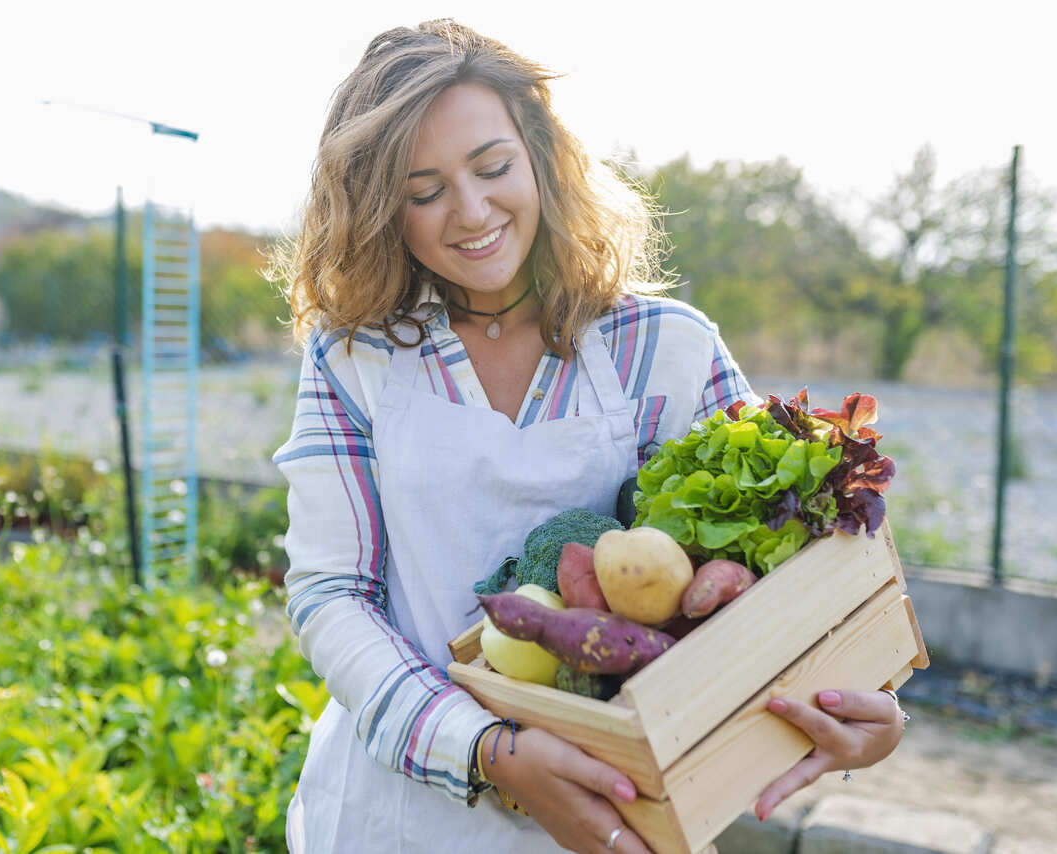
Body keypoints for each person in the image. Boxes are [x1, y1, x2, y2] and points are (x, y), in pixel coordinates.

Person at [271, 20, 906, 854]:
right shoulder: (355, 356)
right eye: (424, 191)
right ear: (381, 206)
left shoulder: (664, 348)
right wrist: (488, 751)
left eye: (493, 167)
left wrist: (864, 702)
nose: (471, 212)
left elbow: (791, 564)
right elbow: (332, 596)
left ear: (539, 153)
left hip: (624, 805)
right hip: (398, 812)